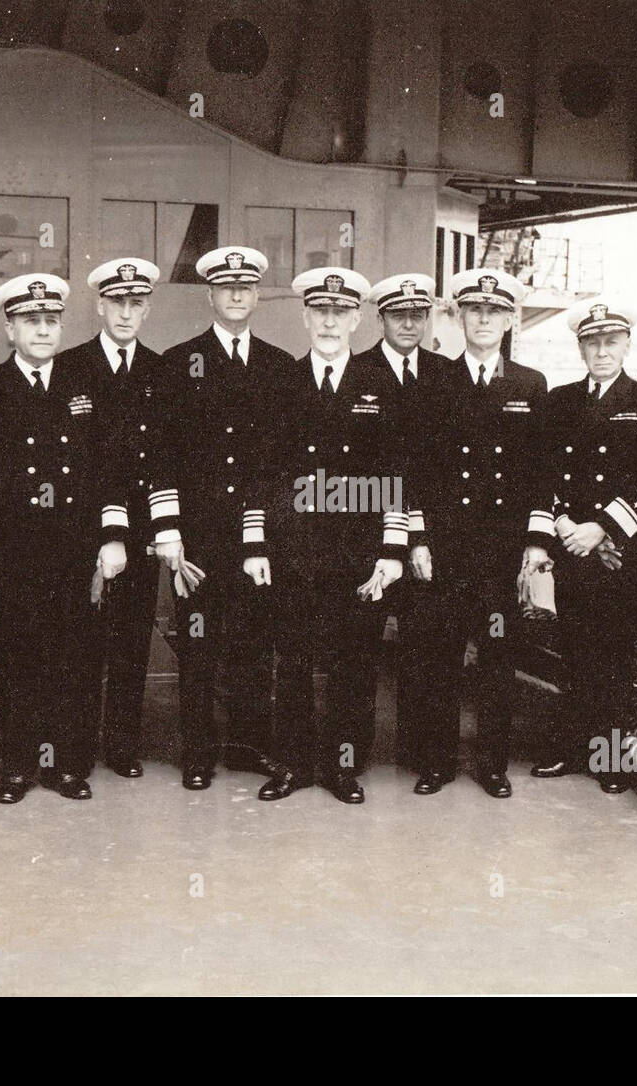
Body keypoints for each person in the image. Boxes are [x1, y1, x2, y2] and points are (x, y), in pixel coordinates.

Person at [0, 273, 129, 803]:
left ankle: (69, 765)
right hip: (11, 551)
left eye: (51, 321)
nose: (43, 330)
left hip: (75, 551)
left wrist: (113, 536)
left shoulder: (87, 384)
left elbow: (109, 471)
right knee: (20, 657)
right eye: (31, 321)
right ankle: (20, 766)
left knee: (77, 658)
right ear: (10, 328)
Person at [255, 267, 406, 804]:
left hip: (358, 553)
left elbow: (396, 473)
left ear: (357, 319)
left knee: (354, 664)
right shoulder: (280, 382)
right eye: (320, 311)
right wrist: (257, 545)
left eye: (340, 312)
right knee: (291, 660)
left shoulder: (381, 385)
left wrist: (392, 549)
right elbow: (264, 472)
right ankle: (293, 765)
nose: (329, 321)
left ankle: (343, 767)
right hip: (294, 548)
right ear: (305, 317)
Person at [153, 247, 293, 789]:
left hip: (260, 535)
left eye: (246, 287)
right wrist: (168, 530)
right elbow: (161, 454)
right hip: (200, 535)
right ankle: (197, 752)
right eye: (226, 287)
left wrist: (266, 532)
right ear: (209, 295)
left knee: (255, 645)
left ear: (256, 295)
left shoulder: (281, 367)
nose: (237, 295)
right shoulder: (179, 361)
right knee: (197, 644)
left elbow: (285, 461)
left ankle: (249, 746)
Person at [406, 267, 547, 798]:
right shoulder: (433, 379)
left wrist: (535, 541)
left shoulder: (530, 385)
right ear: (460, 316)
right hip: (443, 546)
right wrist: (417, 538)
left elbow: (539, 471)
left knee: (496, 657)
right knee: (438, 657)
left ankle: (492, 764)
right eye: (475, 311)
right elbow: (414, 466)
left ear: (510, 319)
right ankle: (437, 761)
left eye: (495, 312)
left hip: (499, 549)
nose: (484, 319)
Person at [524, 298, 637, 794]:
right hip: (570, 547)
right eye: (592, 342)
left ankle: (609, 758)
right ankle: (569, 748)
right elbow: (541, 472)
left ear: (627, 344)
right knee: (575, 649)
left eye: (611, 341)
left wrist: (602, 527)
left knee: (615, 653)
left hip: (616, 548)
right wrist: (561, 524)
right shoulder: (559, 401)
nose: (602, 351)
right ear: (580, 346)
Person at [54, 257, 166, 780]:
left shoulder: (160, 370)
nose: (126, 312)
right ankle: (74, 749)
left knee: (131, 640)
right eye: (117, 302)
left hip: (141, 531)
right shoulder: (69, 367)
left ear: (145, 309)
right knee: (80, 644)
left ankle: (122, 745)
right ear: (100, 305)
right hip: (81, 530)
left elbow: (167, 455)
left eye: (136, 303)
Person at [358, 273, 444, 771]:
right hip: (370, 538)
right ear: (380, 318)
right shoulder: (356, 370)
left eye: (418, 314)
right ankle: (357, 753)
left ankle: (420, 754)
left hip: (429, 539)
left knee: (424, 648)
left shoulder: (445, 375)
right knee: (360, 651)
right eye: (398, 314)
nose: (409, 323)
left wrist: (422, 533)